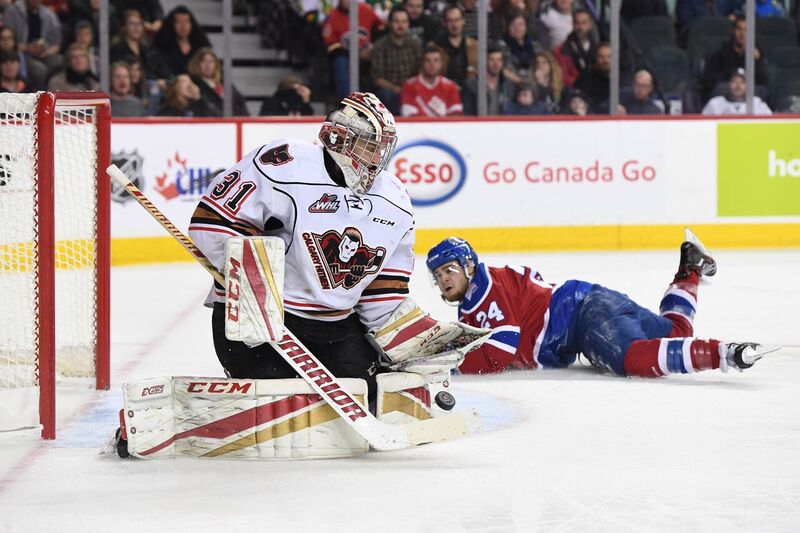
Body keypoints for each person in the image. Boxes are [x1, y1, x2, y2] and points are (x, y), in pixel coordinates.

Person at [187, 92, 429, 397]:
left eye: (382, 150)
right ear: (340, 139)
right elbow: (212, 225)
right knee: (282, 399)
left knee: (371, 395)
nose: (377, 159)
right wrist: (256, 286)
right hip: (263, 320)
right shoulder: (284, 163)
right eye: (370, 147)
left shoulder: (394, 199)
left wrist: (416, 342)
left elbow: (384, 294)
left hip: (337, 327)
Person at [426, 232, 768, 377]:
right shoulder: (478, 296)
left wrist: (451, 367)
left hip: (586, 317)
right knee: (678, 331)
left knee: (631, 360)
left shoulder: (485, 289)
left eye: (449, 269)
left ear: (469, 265)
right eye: (438, 274)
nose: (444, 279)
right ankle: (691, 269)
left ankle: (726, 353)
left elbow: (501, 351)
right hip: (592, 304)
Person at [321, 0, 383, 99]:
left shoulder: (367, 10)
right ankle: (348, 103)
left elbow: (381, 31)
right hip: (345, 58)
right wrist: (356, 54)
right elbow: (331, 47)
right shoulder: (332, 17)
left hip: (369, 56)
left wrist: (373, 47)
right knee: (340, 62)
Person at [370, 6, 423, 115]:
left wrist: (409, 88)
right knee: (386, 94)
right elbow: (377, 78)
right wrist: (396, 88)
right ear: (389, 23)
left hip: (412, 88)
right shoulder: (380, 45)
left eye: (404, 21)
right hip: (390, 90)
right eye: (396, 21)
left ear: (408, 24)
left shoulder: (415, 44)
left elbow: (421, 72)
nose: (400, 25)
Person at [701, 15, 767, 101]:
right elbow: (710, 81)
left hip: (749, 97)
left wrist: (757, 61)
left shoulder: (757, 52)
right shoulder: (722, 51)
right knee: (720, 88)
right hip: (726, 95)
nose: (742, 34)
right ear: (733, 31)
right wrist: (734, 83)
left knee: (761, 91)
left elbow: (764, 81)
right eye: (739, 29)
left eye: (746, 30)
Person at [2, 0, 63, 90]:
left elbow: (57, 43)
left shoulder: (48, 14)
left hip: (43, 52)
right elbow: (7, 39)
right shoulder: (12, 12)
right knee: (39, 70)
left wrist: (46, 52)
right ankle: (39, 98)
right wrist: (26, 48)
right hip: (22, 52)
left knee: (60, 60)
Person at [400, 43, 463, 116]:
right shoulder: (409, 86)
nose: (432, 64)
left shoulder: (450, 86)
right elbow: (409, 115)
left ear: (441, 64)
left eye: (436, 60)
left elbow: (456, 113)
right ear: (422, 63)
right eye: (428, 60)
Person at [186, 47, 249, 116]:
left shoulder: (225, 82)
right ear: (197, 64)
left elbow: (240, 103)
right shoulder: (194, 84)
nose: (207, 65)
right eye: (203, 61)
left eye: (211, 61)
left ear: (216, 64)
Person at [153, 5, 211, 77]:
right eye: (178, 22)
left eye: (186, 22)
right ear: (172, 24)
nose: (183, 26)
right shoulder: (163, 47)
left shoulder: (200, 45)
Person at [433, 4, 477, 90]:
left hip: (468, 92)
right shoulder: (436, 47)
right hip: (443, 90)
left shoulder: (473, 46)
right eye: (450, 21)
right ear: (444, 23)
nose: (454, 25)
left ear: (463, 21)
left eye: (457, 20)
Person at [462, 44, 515, 115]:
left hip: (503, 125)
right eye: (491, 60)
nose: (496, 64)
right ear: (485, 62)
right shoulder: (471, 85)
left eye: (499, 60)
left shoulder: (508, 85)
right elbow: (467, 113)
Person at [554, 8, 597, 88]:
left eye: (584, 23)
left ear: (590, 25)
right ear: (572, 24)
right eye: (577, 23)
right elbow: (564, 77)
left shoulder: (598, 49)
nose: (580, 27)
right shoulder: (562, 50)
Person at [702, 67, 772, 115]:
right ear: (728, 84)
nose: (738, 86)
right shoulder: (714, 104)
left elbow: (772, 124)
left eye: (742, 82)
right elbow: (702, 126)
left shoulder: (757, 104)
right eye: (734, 81)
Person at [574, 41, 611, 112]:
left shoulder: (624, 78)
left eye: (609, 56)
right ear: (596, 58)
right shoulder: (585, 80)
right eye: (601, 57)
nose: (605, 60)